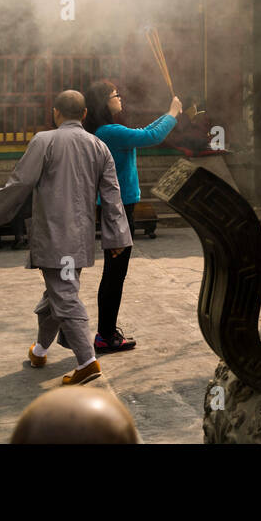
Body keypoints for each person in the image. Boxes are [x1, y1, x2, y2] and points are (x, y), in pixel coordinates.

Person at [0, 90, 130, 387]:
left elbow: (20, 183)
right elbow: (112, 197)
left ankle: (87, 361)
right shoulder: (99, 146)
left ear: (55, 113)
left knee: (64, 296)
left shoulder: (44, 141)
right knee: (55, 295)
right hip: (80, 237)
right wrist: (116, 238)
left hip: (55, 236)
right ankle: (39, 350)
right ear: (85, 114)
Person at [83, 80, 180, 354]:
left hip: (117, 206)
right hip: (118, 209)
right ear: (105, 102)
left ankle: (107, 331)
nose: (120, 98)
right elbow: (150, 138)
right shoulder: (109, 132)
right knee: (115, 274)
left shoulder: (110, 130)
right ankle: (105, 334)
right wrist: (172, 114)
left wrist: (169, 113)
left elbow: (145, 131)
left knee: (114, 273)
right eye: (115, 95)